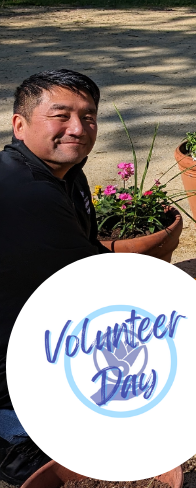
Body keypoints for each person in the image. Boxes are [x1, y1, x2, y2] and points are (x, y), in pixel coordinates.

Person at [0, 70, 110, 484]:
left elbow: (88, 256)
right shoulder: (24, 191)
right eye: (60, 115)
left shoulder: (64, 172)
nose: (78, 129)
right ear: (20, 125)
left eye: (89, 117)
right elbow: (91, 283)